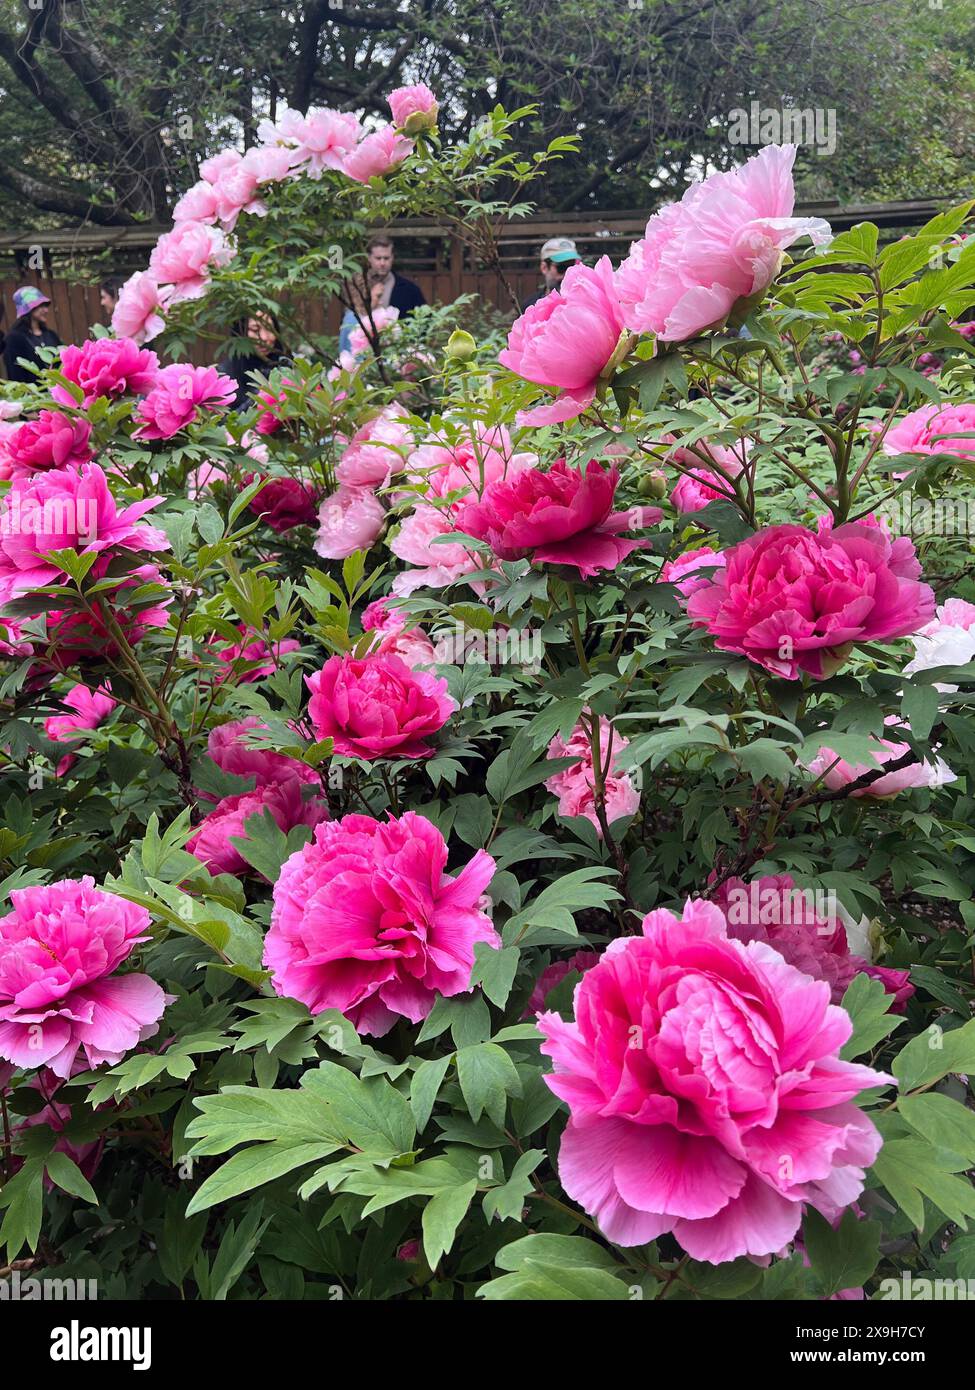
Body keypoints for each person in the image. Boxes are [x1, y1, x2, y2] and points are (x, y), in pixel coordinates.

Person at [217, 312, 288, 408]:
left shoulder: (287, 365)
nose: (264, 337)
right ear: (240, 333)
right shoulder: (224, 375)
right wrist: (257, 400)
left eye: (269, 328)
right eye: (255, 330)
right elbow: (222, 421)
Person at [3, 286, 62, 383]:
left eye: (46, 306)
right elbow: (15, 375)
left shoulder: (51, 335)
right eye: (41, 306)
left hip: (55, 395)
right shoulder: (13, 339)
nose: (46, 310)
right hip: (33, 395)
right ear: (29, 309)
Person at [365, 234, 426, 317]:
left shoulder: (410, 290)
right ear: (369, 258)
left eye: (386, 258)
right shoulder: (357, 287)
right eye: (378, 258)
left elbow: (426, 322)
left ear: (392, 258)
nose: (382, 263)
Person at [522, 236, 581, 309]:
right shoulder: (530, 306)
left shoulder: (583, 303)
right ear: (544, 268)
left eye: (572, 267)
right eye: (561, 268)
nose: (567, 274)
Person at [339, 272, 386, 355]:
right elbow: (357, 358)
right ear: (365, 295)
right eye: (378, 296)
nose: (381, 301)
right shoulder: (353, 320)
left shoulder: (361, 317)